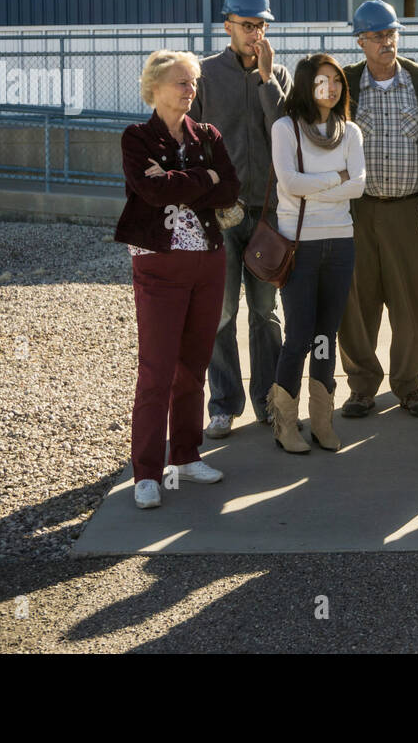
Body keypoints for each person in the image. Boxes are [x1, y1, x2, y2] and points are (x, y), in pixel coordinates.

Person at [114, 50, 241, 509]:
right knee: (156, 369)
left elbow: (229, 187)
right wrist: (201, 177)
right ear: (155, 87)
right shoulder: (136, 138)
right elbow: (151, 191)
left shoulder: (207, 134)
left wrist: (181, 177)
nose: (190, 90)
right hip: (158, 265)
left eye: (193, 82)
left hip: (208, 260)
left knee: (194, 365)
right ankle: (146, 471)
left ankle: (186, 455)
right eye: (180, 83)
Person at [337, 0, 418, 419]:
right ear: (361, 41)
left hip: (410, 210)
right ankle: (362, 388)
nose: (387, 42)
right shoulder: (347, 83)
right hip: (358, 211)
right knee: (359, 302)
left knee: (409, 303)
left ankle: (409, 385)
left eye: (392, 34)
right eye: (378, 36)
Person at [193, 0, 292, 440]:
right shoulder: (205, 75)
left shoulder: (280, 74)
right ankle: (224, 404)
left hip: (267, 212)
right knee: (220, 312)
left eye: (262, 25)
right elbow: (188, 143)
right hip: (220, 214)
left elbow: (284, 135)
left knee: (265, 313)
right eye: (248, 25)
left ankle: (269, 402)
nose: (256, 33)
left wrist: (266, 79)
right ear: (228, 25)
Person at [265, 55, 366, 454]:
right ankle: (285, 424)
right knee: (300, 335)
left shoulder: (351, 132)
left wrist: (318, 184)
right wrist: (335, 178)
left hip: (341, 242)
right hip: (299, 244)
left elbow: (358, 186)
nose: (333, 87)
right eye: (323, 81)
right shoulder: (285, 128)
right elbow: (289, 183)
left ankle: (322, 421)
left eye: (337, 80)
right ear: (307, 85)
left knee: (326, 335)